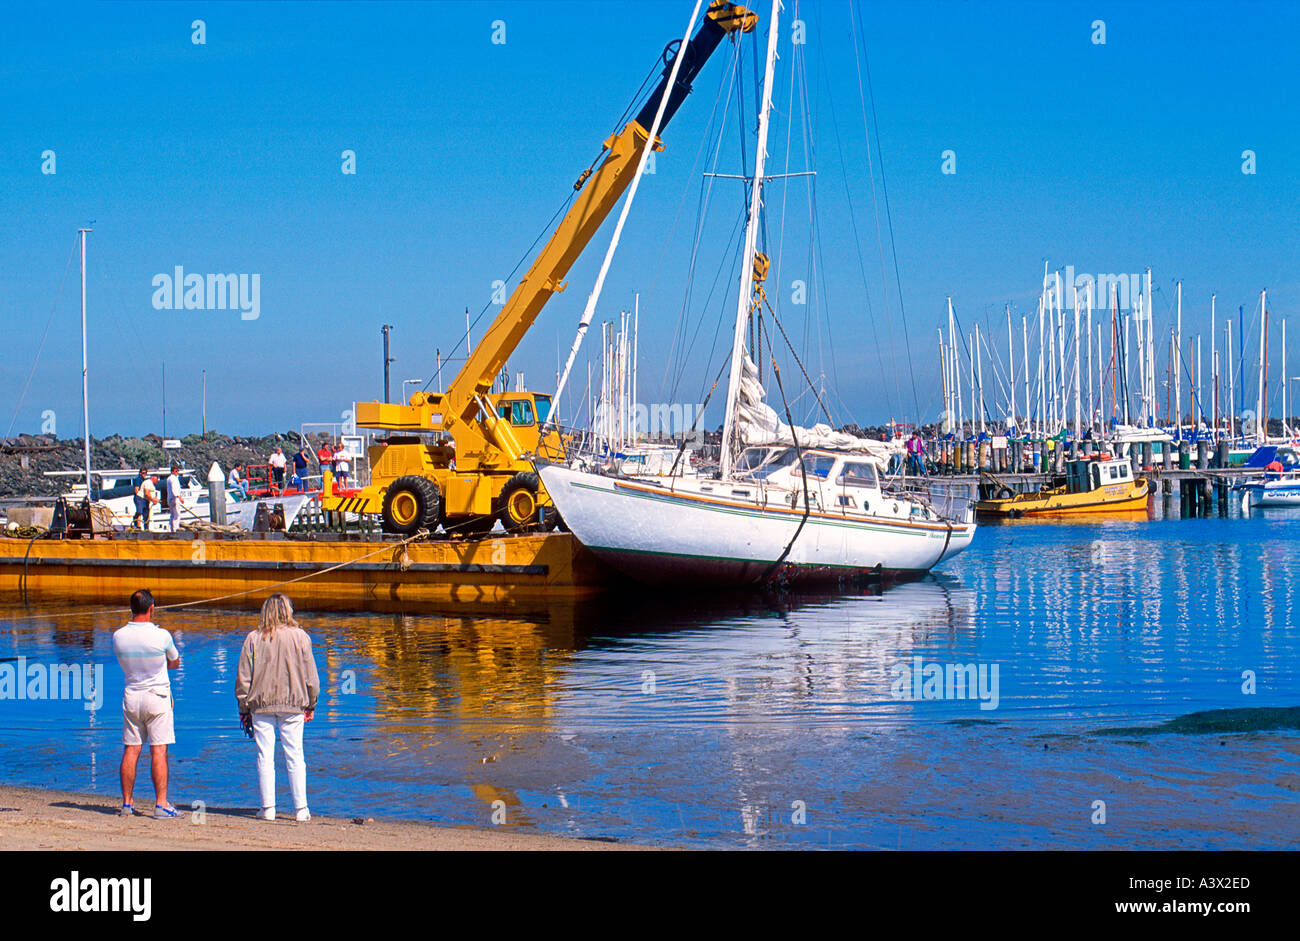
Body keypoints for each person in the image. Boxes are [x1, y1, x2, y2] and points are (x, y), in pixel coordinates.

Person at [235, 594, 321, 822]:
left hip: (260, 705)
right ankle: (301, 810)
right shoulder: (301, 637)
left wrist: (244, 708)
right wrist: (311, 703)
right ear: (288, 611)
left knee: (265, 755)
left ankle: (268, 808)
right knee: (295, 755)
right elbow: (311, 677)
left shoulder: (253, 638)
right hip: (293, 703)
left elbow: (243, 679)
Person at [112, 589, 182, 818]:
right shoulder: (162, 636)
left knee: (131, 749)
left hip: (132, 696)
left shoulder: (118, 636)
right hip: (157, 697)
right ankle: (161, 804)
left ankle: (126, 803)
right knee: (159, 750)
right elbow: (175, 661)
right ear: (151, 609)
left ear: (131, 609)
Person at [165, 465, 185, 532]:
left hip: (170, 498)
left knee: (172, 515)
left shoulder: (169, 478)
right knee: (177, 515)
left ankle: (171, 529)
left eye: (178, 471)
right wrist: (179, 497)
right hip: (174, 498)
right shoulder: (173, 479)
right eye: (176, 471)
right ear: (173, 471)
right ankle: (175, 529)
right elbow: (174, 490)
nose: (177, 472)